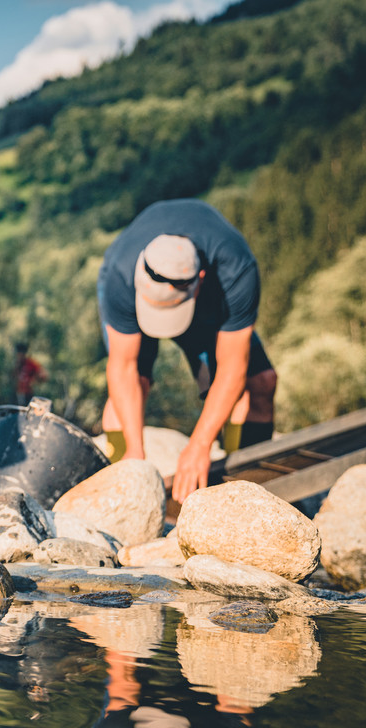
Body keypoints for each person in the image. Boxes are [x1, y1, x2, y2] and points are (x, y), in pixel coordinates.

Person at [97, 199, 277, 503]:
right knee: (133, 388)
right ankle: (124, 493)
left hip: (207, 302)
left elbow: (234, 368)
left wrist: (199, 445)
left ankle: (244, 491)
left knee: (261, 382)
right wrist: (135, 452)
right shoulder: (121, 275)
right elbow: (123, 367)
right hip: (136, 291)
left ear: (200, 281)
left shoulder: (236, 269)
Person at [12, 342, 45, 406]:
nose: (19, 356)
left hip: (28, 394)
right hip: (19, 393)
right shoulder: (18, 364)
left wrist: (33, 381)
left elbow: (43, 375)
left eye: (21, 353)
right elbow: (14, 376)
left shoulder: (31, 363)